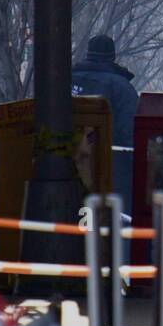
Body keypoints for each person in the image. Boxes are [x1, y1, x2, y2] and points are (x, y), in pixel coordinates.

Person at [71, 35, 139, 214]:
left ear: (88, 53)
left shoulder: (64, 81)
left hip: (66, 169)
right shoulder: (122, 88)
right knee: (111, 230)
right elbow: (131, 133)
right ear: (112, 56)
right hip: (111, 174)